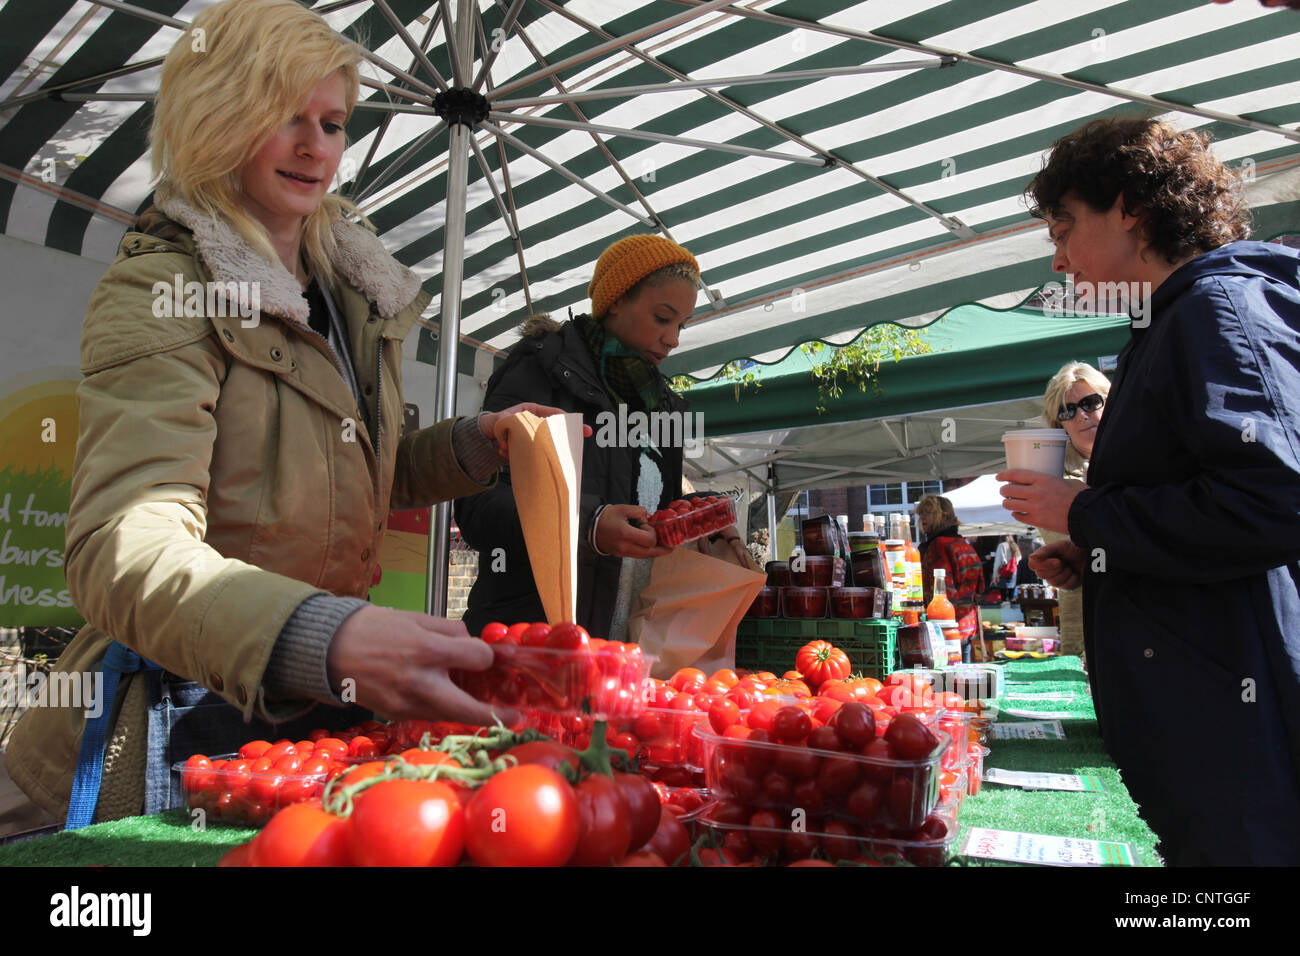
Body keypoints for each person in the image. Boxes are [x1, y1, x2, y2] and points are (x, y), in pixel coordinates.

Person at [7, 0, 569, 825]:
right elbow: (121, 548)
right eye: (284, 117)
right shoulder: (163, 289)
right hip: (197, 697)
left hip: (329, 693)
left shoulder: (351, 287)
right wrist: (320, 634)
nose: (316, 147)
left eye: (333, 122)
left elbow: (356, 471)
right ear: (219, 118)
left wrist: (469, 445)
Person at [997, 116, 1300, 865]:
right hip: (1204, 708)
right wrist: (1097, 546)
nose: (1060, 257)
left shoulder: (1215, 310)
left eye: (1065, 228)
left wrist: (1089, 511)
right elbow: (1205, 500)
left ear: (1131, 207)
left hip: (1234, 726)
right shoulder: (1169, 323)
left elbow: (1276, 501)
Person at [457, 235, 747, 642]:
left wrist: (698, 521)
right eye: (662, 319)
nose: (674, 339)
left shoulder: (663, 405)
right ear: (616, 300)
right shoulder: (541, 369)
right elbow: (479, 504)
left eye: (681, 325)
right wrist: (588, 526)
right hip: (534, 637)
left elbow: (651, 515)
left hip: (629, 643)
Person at [1037, 362, 1111, 660]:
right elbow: (1082, 542)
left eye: (1091, 403)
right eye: (1067, 411)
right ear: (1060, 425)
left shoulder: (1144, 455)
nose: (1081, 415)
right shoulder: (1051, 474)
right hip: (1089, 620)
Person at [915, 495, 984, 662]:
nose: (922, 517)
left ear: (944, 515)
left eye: (927, 512)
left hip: (945, 631)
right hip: (967, 626)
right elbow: (981, 587)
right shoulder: (963, 545)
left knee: (948, 684)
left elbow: (942, 591)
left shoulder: (938, 546)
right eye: (920, 513)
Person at [991, 535, 1021, 600]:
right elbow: (1019, 558)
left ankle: (1005, 609)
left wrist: (995, 575)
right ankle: (1012, 609)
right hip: (1013, 572)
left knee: (1003, 597)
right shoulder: (1014, 545)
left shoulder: (1001, 545)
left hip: (1004, 573)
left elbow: (998, 562)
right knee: (1011, 596)